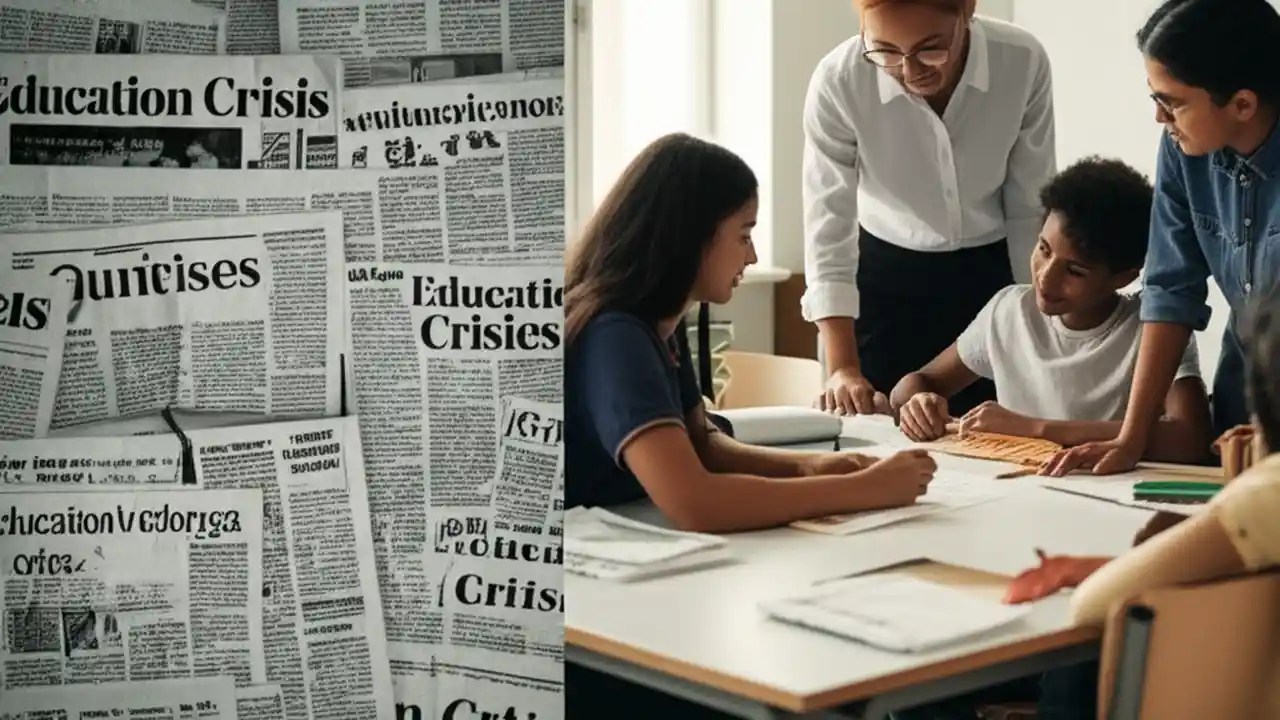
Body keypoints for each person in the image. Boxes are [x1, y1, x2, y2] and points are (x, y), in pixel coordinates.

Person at [564, 133, 937, 533]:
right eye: (743, 235)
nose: (753, 255)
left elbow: (702, 444)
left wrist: (816, 465)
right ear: (688, 237)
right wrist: (863, 489)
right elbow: (696, 502)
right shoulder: (616, 337)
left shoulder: (658, 327)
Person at [1044, 0, 1280, 477]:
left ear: (1242, 104)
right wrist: (1130, 437)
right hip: (1246, 399)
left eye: (1171, 102)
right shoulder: (1183, 150)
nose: (1158, 118)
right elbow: (1170, 289)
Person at [802, 0, 1055, 417]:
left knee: (990, 441)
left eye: (930, 48)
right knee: (877, 437)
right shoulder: (840, 80)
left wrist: (1037, 328)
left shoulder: (1021, 61)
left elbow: (1029, 208)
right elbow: (828, 226)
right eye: (884, 50)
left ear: (967, 12)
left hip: (991, 277)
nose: (908, 69)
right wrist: (843, 367)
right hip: (882, 282)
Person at [888, 157, 1212, 465]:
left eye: (1074, 271)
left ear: (1124, 276)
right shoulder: (1010, 311)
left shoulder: (1153, 329)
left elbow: (1190, 439)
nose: (1046, 277)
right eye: (1043, 249)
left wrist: (1034, 428)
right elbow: (915, 385)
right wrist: (920, 402)